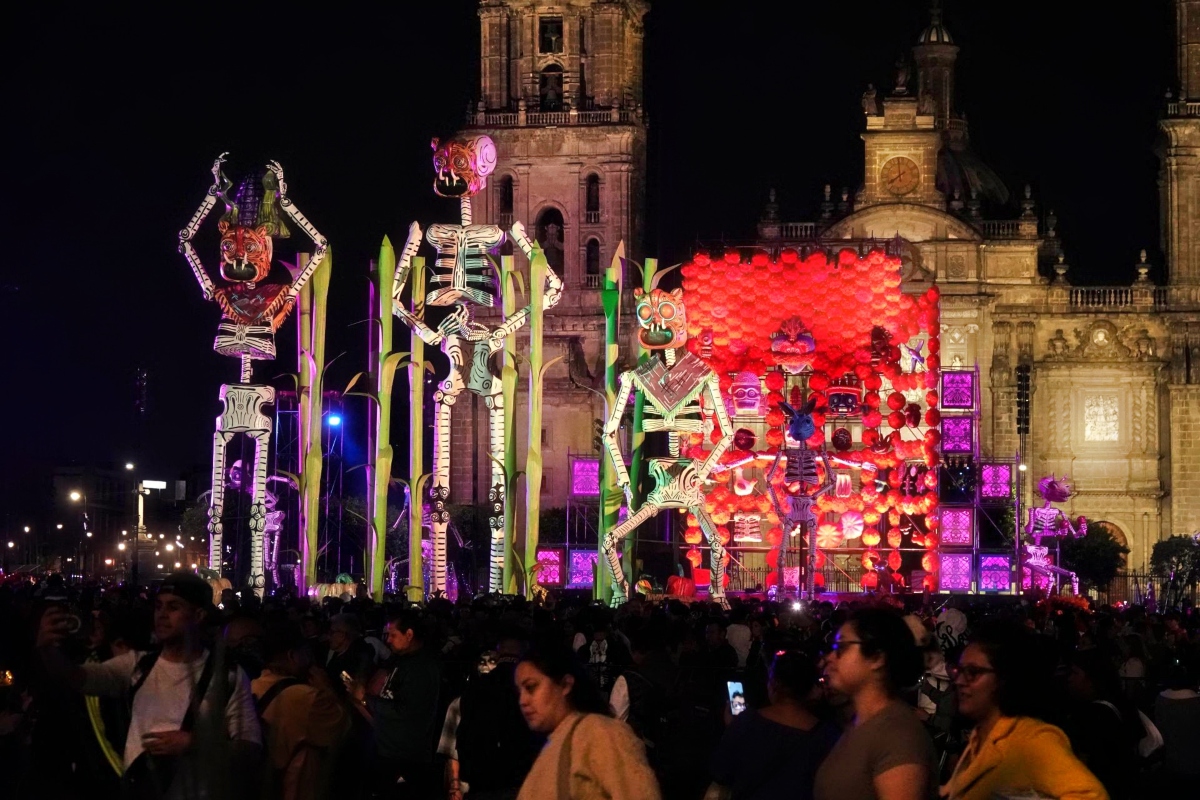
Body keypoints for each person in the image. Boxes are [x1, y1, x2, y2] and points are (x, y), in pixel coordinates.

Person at [36, 571, 262, 800]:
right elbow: (76, 678)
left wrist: (194, 743)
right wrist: (48, 649)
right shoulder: (139, 666)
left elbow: (250, 749)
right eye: (158, 606)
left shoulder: (227, 675)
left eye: (174, 607)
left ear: (199, 615)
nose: (162, 615)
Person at [940, 621, 1107, 800]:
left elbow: (1091, 795)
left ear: (1005, 677)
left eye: (973, 672)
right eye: (960, 670)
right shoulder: (981, 736)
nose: (959, 681)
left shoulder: (1031, 740)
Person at [814, 608, 936, 800]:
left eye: (841, 647)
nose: (830, 657)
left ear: (877, 658)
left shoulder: (897, 736)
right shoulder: (858, 723)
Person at [515, 641, 661, 800]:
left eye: (531, 687)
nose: (523, 700)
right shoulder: (553, 745)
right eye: (519, 691)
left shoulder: (600, 734)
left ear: (565, 685)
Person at [709, 650, 840, 800]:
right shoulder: (828, 736)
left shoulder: (747, 722)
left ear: (773, 683)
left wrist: (732, 728)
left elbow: (721, 771)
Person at [348, 609, 441, 798]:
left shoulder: (421, 669)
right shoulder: (400, 660)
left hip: (405, 756)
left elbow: (406, 712)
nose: (388, 640)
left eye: (393, 635)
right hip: (388, 749)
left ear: (409, 634)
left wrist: (366, 699)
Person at [251, 622, 350, 800]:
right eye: (306, 652)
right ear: (293, 656)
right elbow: (343, 729)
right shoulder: (308, 697)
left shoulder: (252, 686)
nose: (310, 658)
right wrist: (327, 688)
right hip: (296, 789)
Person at [1066, 648, 1142, 800]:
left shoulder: (1094, 716)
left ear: (1091, 678)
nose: (1069, 679)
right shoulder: (1122, 704)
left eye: (1075, 673)